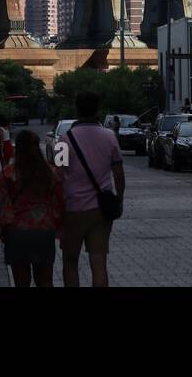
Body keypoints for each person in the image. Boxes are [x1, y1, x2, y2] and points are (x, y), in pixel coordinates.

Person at [58, 90, 125, 287]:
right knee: (99, 262)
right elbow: (119, 174)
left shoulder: (64, 139)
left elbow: (58, 175)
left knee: (70, 261)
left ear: (76, 109)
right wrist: (118, 200)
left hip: (72, 209)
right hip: (101, 210)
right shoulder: (110, 136)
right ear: (97, 110)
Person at [0, 130, 65, 287]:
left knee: (21, 283)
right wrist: (59, 227)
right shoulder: (51, 173)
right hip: (44, 232)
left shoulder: (9, 173)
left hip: (17, 234)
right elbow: (60, 202)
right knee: (45, 281)